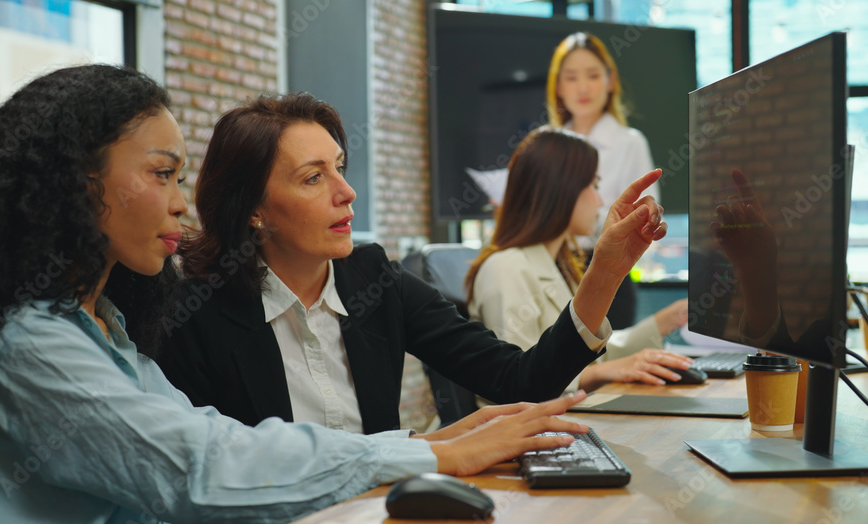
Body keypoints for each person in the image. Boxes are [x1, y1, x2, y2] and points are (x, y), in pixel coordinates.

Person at [0, 64, 594, 524]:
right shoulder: (24, 340)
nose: (177, 202)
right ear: (79, 184)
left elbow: (217, 452)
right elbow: (201, 467)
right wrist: (429, 457)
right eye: (162, 173)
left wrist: (421, 446)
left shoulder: (101, 328)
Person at [156, 93, 668, 436]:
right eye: (313, 178)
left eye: (340, 168)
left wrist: (605, 270)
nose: (347, 192)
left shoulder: (373, 279)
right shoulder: (198, 312)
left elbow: (520, 379)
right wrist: (428, 450)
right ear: (253, 209)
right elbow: (223, 479)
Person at [466, 127, 691, 392]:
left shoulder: (558, 264)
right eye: (594, 186)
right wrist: (607, 370)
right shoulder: (507, 268)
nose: (599, 201)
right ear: (562, 188)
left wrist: (669, 318)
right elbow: (519, 380)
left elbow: (579, 350)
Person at [547, 31, 660, 329]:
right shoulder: (547, 145)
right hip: (550, 266)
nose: (583, 87)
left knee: (607, 363)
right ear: (558, 86)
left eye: (593, 75)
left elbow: (643, 215)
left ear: (610, 82)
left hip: (606, 270)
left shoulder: (630, 143)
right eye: (571, 77)